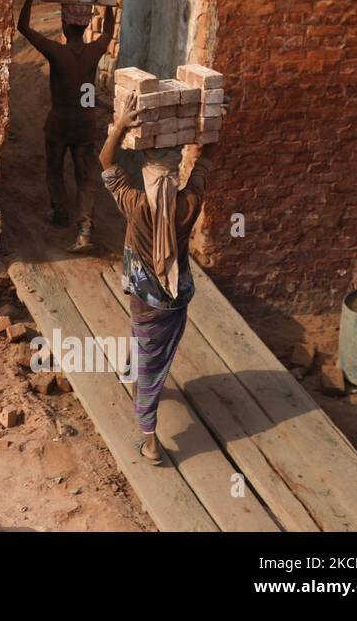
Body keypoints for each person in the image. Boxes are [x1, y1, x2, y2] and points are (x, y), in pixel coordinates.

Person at [99, 96, 221, 464]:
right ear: (174, 176)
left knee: (148, 362)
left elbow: (106, 162)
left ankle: (150, 440)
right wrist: (212, 119)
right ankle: (140, 373)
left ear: (149, 179)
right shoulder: (188, 204)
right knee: (156, 351)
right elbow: (207, 160)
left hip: (143, 297)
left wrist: (120, 125)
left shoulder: (136, 205)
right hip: (176, 297)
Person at [18, 0, 116, 253]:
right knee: (86, 176)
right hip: (85, 123)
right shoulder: (94, 50)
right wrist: (107, 1)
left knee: (55, 168)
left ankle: (60, 211)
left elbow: (23, 27)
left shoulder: (55, 52)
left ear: (63, 24)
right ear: (86, 27)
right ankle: (85, 230)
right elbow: (108, 31)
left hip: (60, 123)